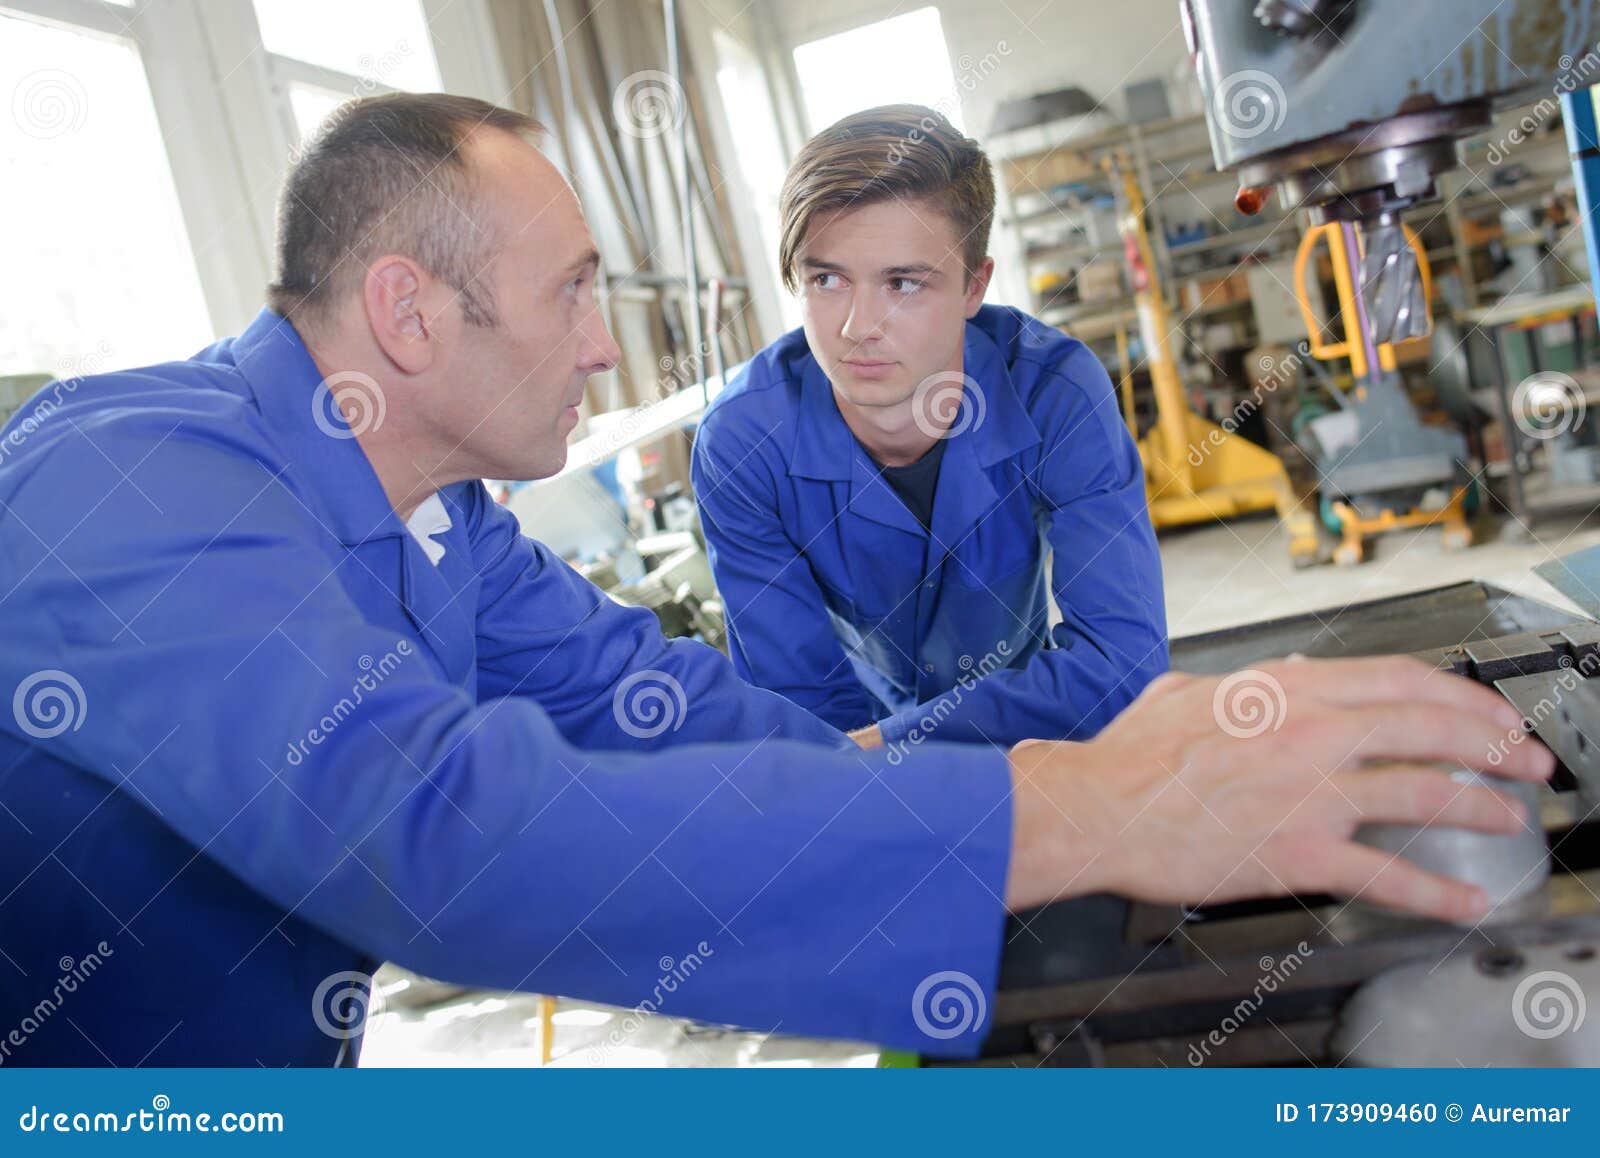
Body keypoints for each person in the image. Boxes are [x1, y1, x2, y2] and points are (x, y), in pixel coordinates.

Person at [0, 93, 1549, 1067]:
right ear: (411, 313)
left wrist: (1075, 797)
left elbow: (672, 708)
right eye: (574, 293)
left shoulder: (444, 524)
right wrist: (1078, 809)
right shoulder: (129, 483)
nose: (608, 347)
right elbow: (437, 832)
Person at [692, 106, 1166, 750]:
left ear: (975, 286)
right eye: (826, 279)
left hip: (1028, 732)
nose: (860, 326)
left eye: (903, 283)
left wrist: (889, 745)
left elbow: (1123, 671)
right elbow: (799, 714)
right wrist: (866, 762)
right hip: (867, 731)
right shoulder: (744, 442)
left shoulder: (1054, 393)